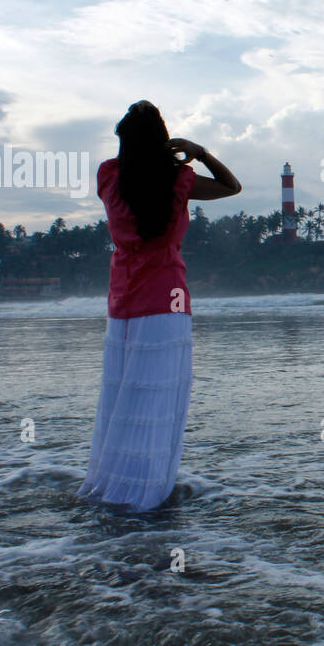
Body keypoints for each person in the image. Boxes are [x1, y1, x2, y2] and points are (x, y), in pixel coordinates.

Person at [78, 100, 242, 510]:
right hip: (167, 302)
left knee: (122, 398)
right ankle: (150, 491)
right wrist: (198, 152)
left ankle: (116, 484)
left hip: (122, 302)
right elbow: (231, 187)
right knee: (157, 399)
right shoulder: (178, 180)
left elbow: (129, 168)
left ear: (122, 141)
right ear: (164, 141)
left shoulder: (107, 177)